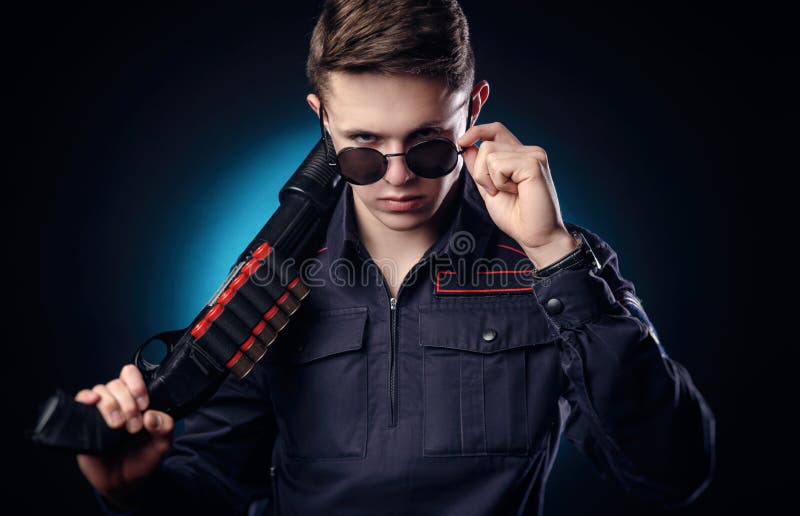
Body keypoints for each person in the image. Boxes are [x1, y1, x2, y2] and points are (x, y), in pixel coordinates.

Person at [74, 1, 716, 514]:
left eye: (430, 144)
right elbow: (215, 481)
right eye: (362, 148)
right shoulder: (273, 275)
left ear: (476, 106)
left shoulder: (559, 268)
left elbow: (670, 472)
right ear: (321, 120)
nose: (399, 177)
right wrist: (132, 489)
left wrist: (553, 254)